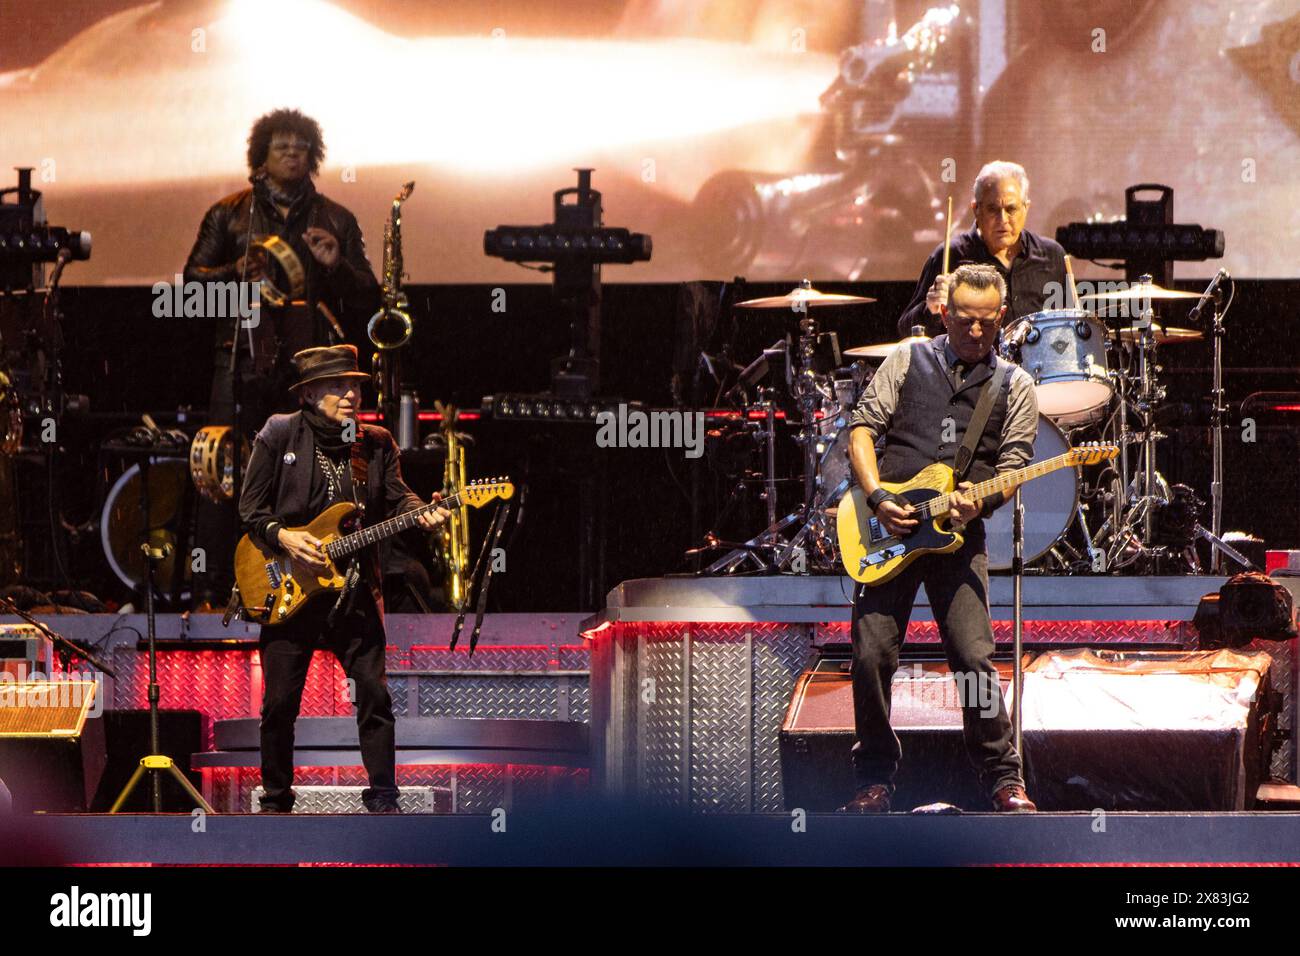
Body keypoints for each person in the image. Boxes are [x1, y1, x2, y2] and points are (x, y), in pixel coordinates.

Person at [842, 263, 1039, 813]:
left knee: (974, 660)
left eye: (986, 322)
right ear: (943, 311)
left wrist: (981, 499)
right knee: (870, 656)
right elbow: (862, 426)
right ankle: (874, 780)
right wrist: (878, 496)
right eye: (964, 320)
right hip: (888, 531)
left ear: (1002, 317)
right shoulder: (907, 358)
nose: (975, 332)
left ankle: (1004, 779)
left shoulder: (1015, 385)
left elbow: (1016, 464)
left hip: (957, 538)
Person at [238, 345, 450, 813]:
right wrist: (287, 538)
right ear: (310, 393)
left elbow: (400, 501)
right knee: (278, 705)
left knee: (374, 695)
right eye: (337, 386)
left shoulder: (374, 444)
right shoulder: (279, 434)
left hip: (353, 590)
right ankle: (276, 800)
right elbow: (251, 510)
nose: (350, 394)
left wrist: (425, 514)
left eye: (354, 384)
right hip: (289, 586)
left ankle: (383, 798)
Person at [185, 108, 380, 609]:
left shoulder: (334, 218)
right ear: (261, 156)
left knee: (311, 474)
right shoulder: (230, 213)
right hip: (241, 361)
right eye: (281, 146)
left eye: (300, 146)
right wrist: (233, 272)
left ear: (313, 155)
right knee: (227, 468)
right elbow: (190, 290)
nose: (292, 154)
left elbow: (367, 300)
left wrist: (336, 265)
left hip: (312, 375)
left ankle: (302, 584)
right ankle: (212, 589)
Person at [896, 161, 1066, 337]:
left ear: (1026, 208)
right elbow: (905, 330)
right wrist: (930, 309)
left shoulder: (1052, 255)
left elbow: (1071, 325)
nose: (1003, 219)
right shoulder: (950, 255)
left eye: (1011, 209)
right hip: (971, 364)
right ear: (976, 209)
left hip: (1038, 364)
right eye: (993, 209)